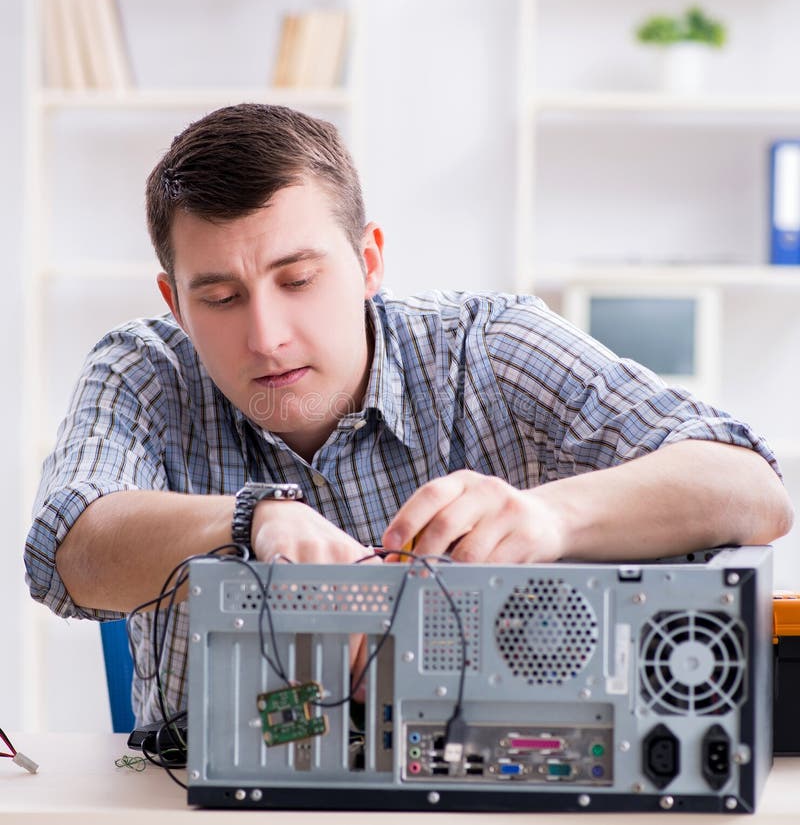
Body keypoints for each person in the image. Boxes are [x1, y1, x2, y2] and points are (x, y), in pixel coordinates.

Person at [24, 103, 793, 725]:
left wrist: (552, 518)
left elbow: (753, 486)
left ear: (369, 262)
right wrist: (251, 523)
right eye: (220, 298)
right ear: (175, 304)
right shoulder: (145, 368)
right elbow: (66, 553)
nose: (266, 336)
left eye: (298, 279)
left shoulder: (486, 346)